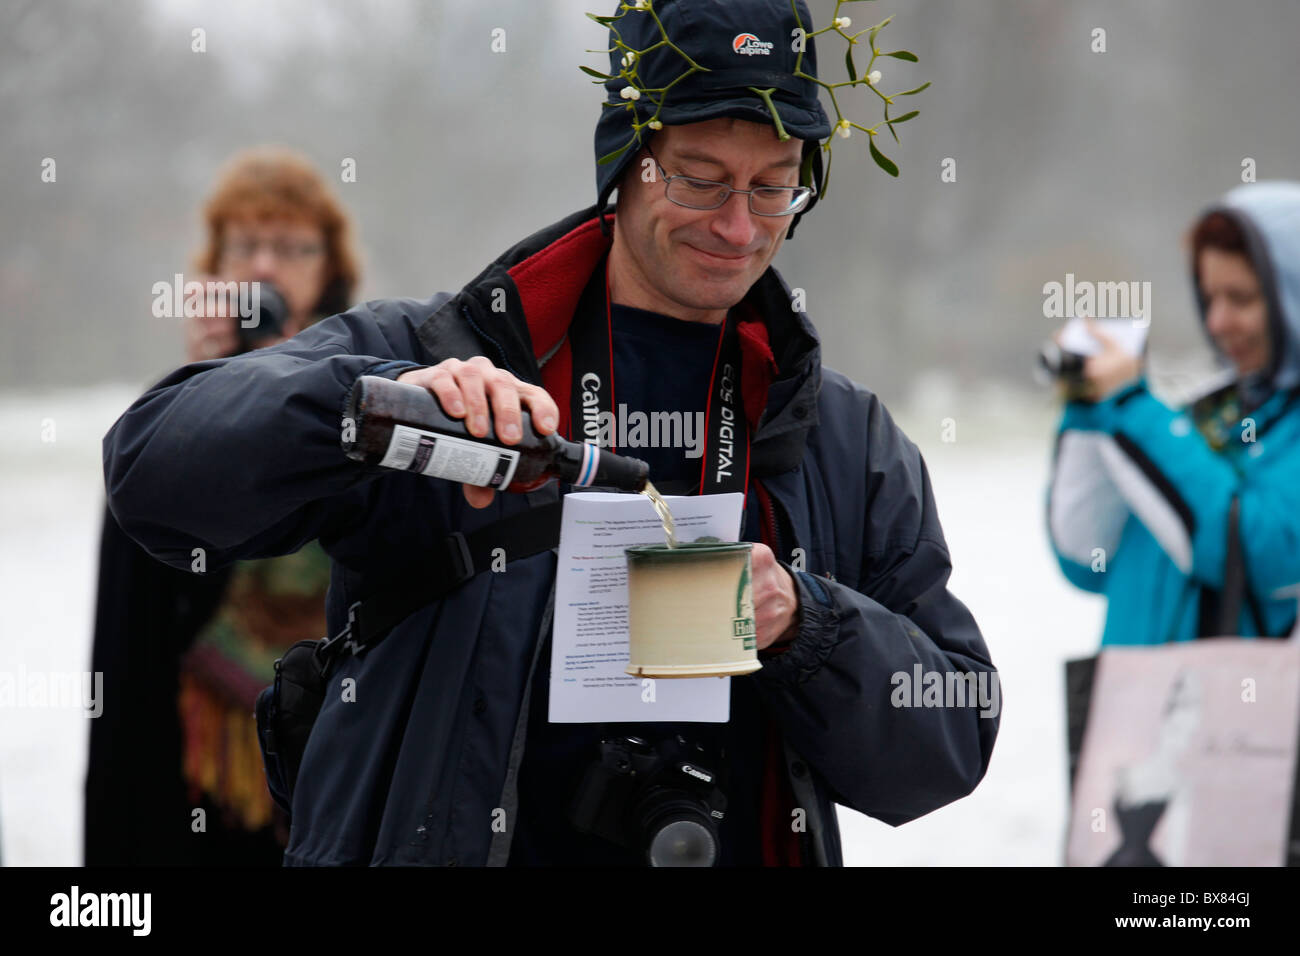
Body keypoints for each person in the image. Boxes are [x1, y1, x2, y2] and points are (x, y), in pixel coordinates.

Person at [102, 0, 999, 867]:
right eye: (699, 178)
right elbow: (150, 465)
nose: (738, 227)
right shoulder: (440, 361)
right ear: (626, 159)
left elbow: (953, 735)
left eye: (774, 189)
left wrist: (809, 624)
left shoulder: (844, 436)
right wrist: (369, 404)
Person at [85, 146, 361, 865]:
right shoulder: (162, 422)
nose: (266, 267)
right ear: (214, 270)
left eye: (291, 246)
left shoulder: (371, 406)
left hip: (338, 755)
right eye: (246, 245)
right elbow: (128, 643)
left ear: (329, 270)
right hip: (198, 777)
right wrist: (203, 393)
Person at [1048, 181, 1300, 645]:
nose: (1217, 323)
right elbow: (1088, 559)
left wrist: (1130, 405)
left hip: (1244, 714)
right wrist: (1092, 411)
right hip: (1133, 709)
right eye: (1210, 299)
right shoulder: (1211, 414)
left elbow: (1264, 556)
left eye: (1240, 298)